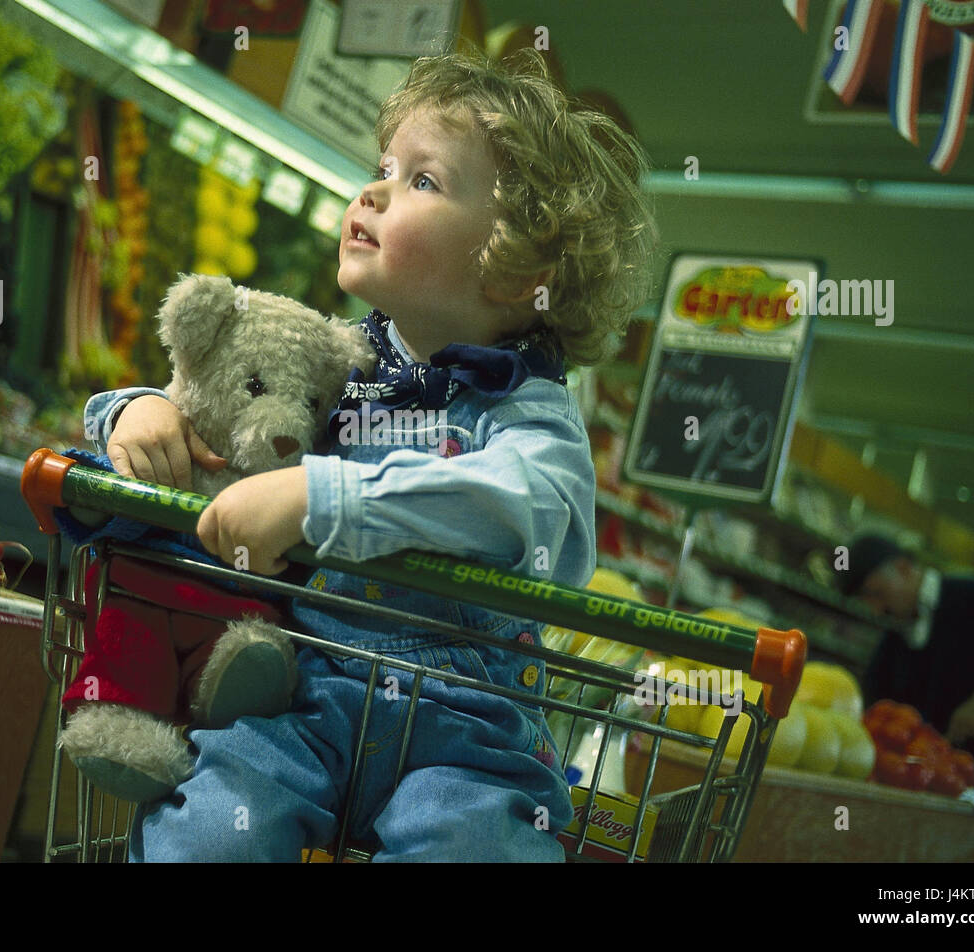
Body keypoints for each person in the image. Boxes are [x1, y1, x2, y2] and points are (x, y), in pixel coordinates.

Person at [86, 47, 656, 861]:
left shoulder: (532, 413)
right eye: (384, 166)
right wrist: (135, 410)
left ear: (514, 267)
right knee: (211, 827)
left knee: (480, 851)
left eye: (423, 181)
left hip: (472, 742)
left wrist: (327, 500)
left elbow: (518, 502)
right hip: (304, 698)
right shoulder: (329, 358)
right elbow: (223, 403)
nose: (375, 189)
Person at [839, 534, 974, 862]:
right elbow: (876, 701)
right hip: (954, 796)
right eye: (867, 600)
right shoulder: (895, 641)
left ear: (904, 568)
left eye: (876, 593)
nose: (876, 608)